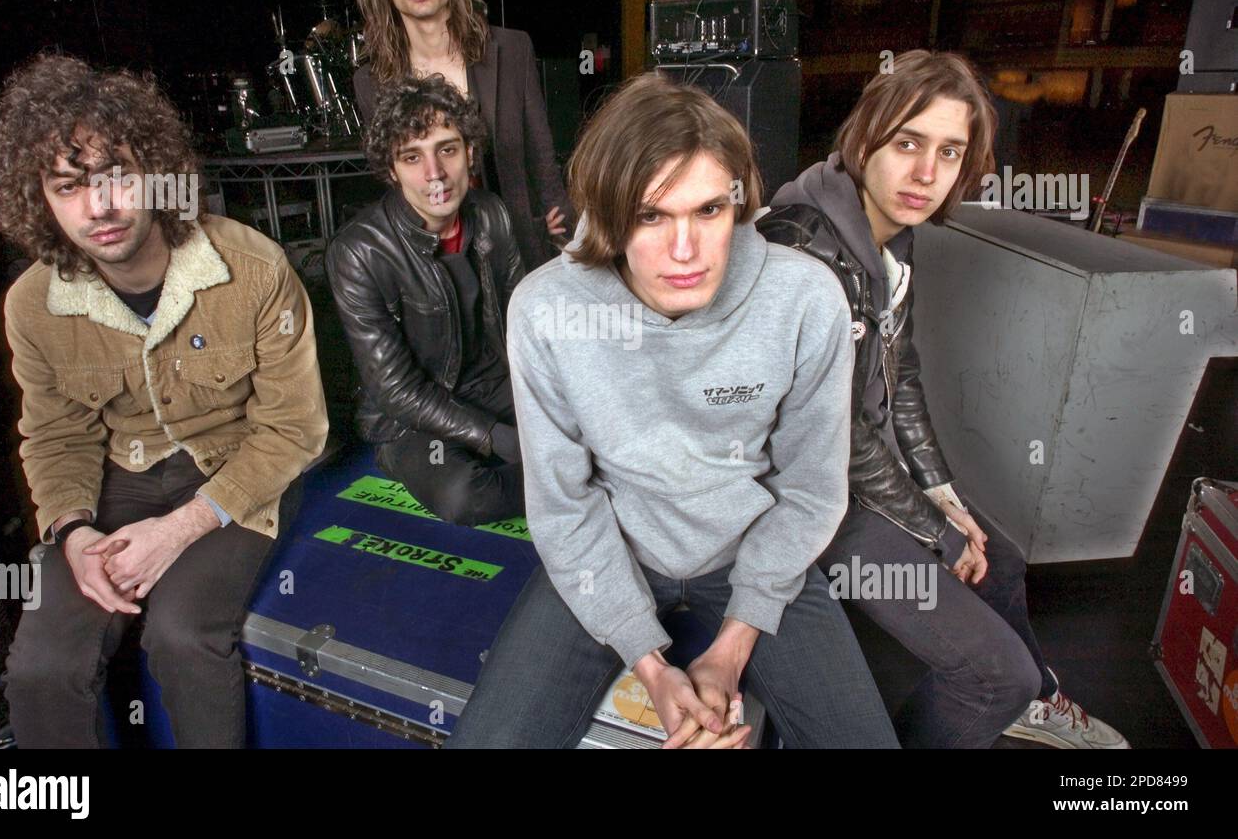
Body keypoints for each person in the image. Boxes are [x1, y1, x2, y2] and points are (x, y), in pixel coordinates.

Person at [446, 73, 899, 749]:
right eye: (651, 216)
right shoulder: (547, 311)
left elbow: (810, 491)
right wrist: (653, 670)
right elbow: (564, 507)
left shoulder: (805, 300)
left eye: (708, 211)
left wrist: (730, 650)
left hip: (754, 547)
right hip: (613, 548)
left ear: (738, 204)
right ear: (607, 207)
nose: (684, 250)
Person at [758, 49, 1128, 749]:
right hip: (804, 499)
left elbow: (901, 372)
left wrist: (943, 490)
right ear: (865, 136)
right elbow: (828, 427)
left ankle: (1035, 700)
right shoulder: (803, 243)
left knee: (1003, 558)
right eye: (907, 143)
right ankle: (1007, 692)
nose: (927, 173)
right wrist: (933, 527)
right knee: (994, 673)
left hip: (859, 482)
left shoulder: (885, 237)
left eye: (950, 152)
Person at [0, 54, 328, 748]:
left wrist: (180, 530)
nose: (99, 206)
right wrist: (72, 532)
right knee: (44, 665)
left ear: (158, 172)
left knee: (182, 634)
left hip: (236, 475)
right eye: (68, 185)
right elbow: (56, 437)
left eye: (116, 176)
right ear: (40, 199)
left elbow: (293, 429)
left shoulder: (253, 267)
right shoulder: (30, 305)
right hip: (119, 482)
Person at [325, 75, 525, 526]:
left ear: (469, 153)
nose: (434, 174)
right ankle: (568, 482)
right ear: (391, 170)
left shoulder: (491, 214)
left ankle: (569, 472)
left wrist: (550, 401)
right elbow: (394, 388)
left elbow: (524, 324)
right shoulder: (359, 251)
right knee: (464, 497)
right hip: (411, 416)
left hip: (493, 386)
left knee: (595, 429)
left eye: (447, 150)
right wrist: (495, 437)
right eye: (412, 157)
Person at [353, 0, 571, 273]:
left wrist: (563, 239)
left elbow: (542, 162)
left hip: (521, 249)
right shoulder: (373, 81)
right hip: (438, 265)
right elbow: (398, 185)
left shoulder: (512, 49)